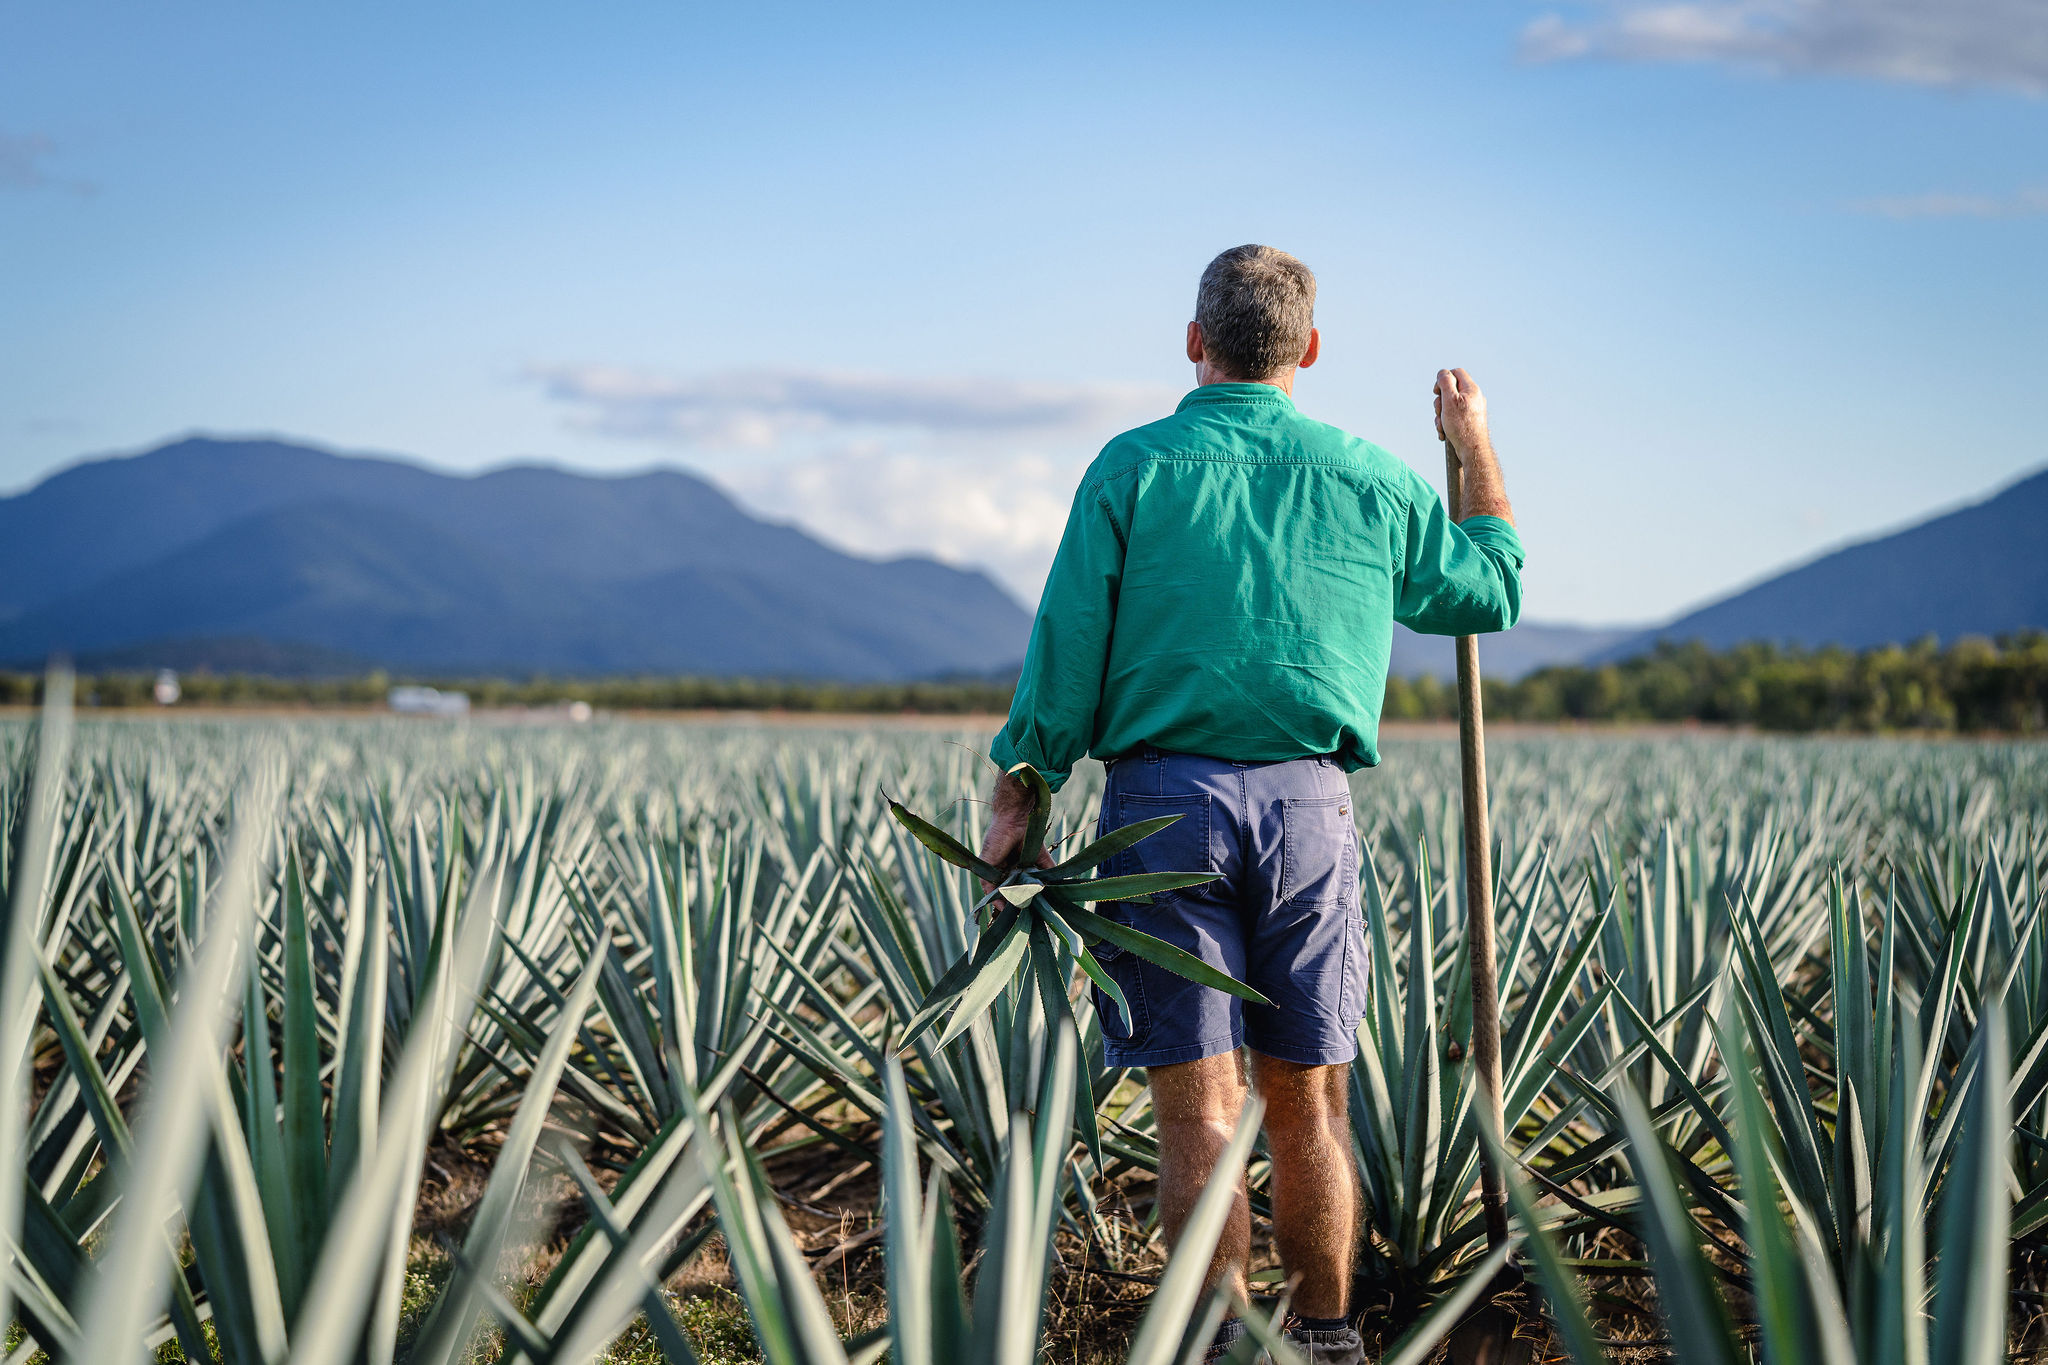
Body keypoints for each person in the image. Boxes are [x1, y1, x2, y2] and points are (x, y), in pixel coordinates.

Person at [978, 245, 1522, 1365]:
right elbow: (1490, 589)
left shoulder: (1133, 468)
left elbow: (1067, 646)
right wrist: (1474, 450)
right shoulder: (1368, 478)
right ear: (1308, 351)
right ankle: (1323, 1339)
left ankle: (1221, 1342)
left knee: (1197, 1110)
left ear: (1193, 343)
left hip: (1157, 813)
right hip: (1308, 813)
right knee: (1308, 1100)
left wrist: (1021, 785)